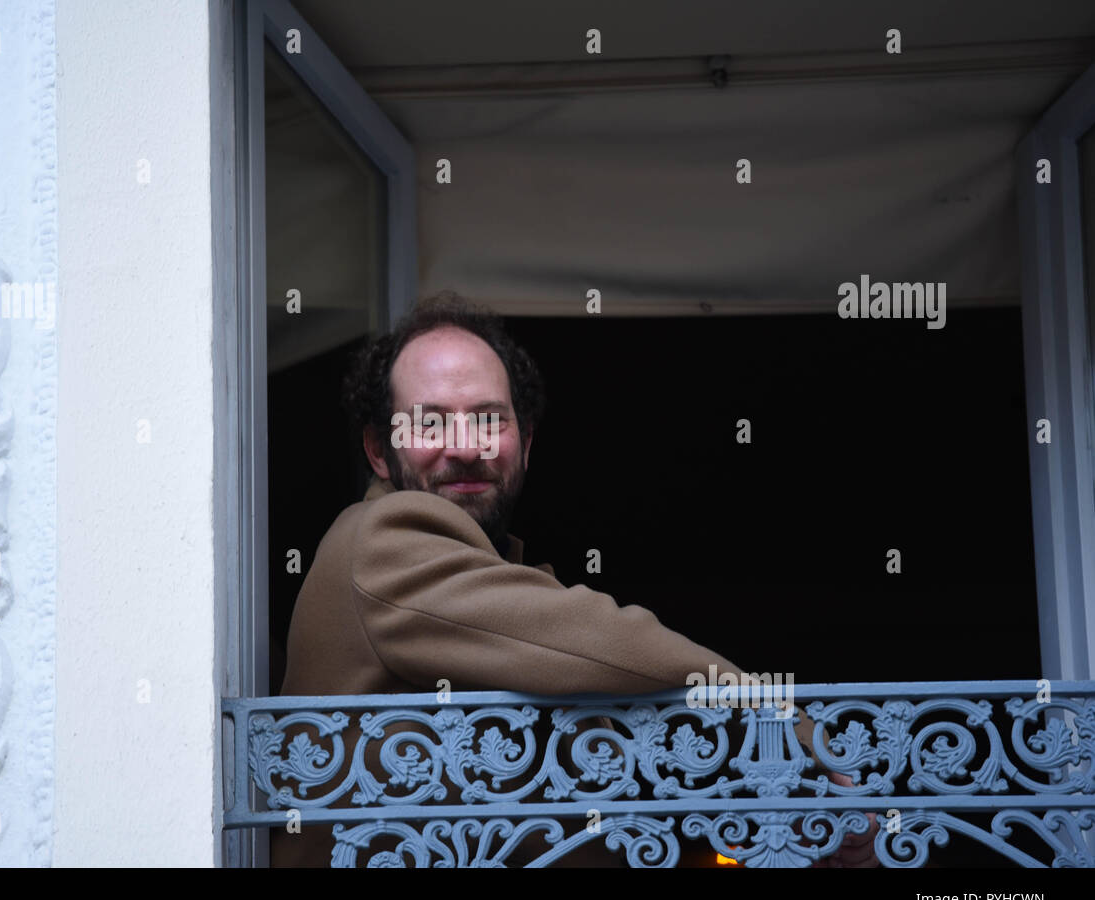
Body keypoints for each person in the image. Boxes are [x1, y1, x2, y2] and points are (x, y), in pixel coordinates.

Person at [272, 290, 877, 867]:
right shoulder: (382, 536)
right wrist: (790, 724)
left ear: (525, 442)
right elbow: (604, 638)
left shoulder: (501, 571)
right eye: (430, 422)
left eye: (489, 418)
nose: (464, 446)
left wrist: (797, 809)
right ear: (380, 450)